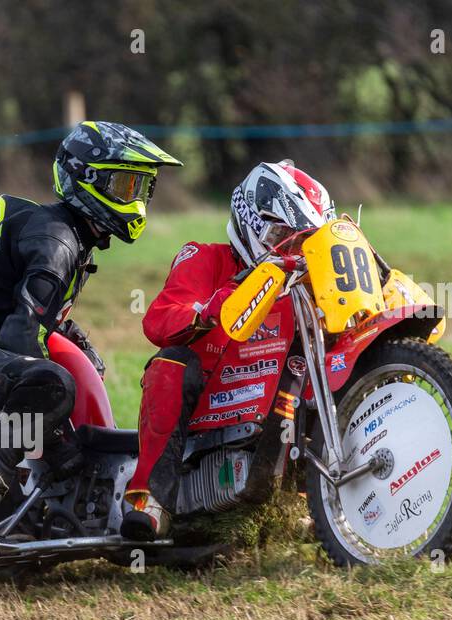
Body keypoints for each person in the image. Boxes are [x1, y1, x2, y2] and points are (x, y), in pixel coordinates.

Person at [0, 121, 181, 531]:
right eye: (125, 186)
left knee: (25, 526)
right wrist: (53, 437)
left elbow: (11, 309)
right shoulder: (57, 236)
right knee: (51, 385)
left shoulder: (62, 235)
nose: (135, 199)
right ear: (87, 180)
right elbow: (19, 334)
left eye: (141, 189)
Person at [120, 161, 336, 541]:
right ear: (251, 225)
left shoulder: (308, 285)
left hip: (271, 396)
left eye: (304, 240)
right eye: (282, 235)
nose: (294, 249)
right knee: (171, 362)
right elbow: (159, 321)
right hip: (207, 399)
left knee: (318, 362)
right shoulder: (204, 258)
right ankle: (149, 500)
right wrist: (211, 309)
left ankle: (311, 503)